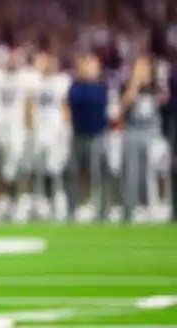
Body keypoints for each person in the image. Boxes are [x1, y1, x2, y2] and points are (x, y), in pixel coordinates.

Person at [0, 46, 38, 221]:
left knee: (15, 167)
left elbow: (29, 101)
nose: (12, 61)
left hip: (16, 126)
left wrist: (29, 124)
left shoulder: (26, 77)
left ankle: (15, 202)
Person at [121, 54, 168, 222]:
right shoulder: (129, 85)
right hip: (132, 132)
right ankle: (129, 210)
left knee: (152, 173)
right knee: (131, 173)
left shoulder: (156, 87)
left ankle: (152, 207)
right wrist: (135, 83)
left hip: (152, 133)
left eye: (145, 68)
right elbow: (125, 104)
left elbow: (164, 103)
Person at [67, 52, 112, 221]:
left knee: (98, 173)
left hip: (97, 135)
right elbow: (76, 102)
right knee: (74, 172)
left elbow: (99, 103)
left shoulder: (101, 87)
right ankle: (72, 208)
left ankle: (101, 208)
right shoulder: (75, 87)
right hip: (78, 134)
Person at [30, 51, 72, 220]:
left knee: (56, 167)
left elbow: (65, 104)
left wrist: (66, 126)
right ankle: (41, 200)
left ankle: (58, 199)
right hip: (40, 128)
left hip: (56, 128)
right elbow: (29, 104)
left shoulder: (62, 81)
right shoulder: (34, 81)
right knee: (40, 167)